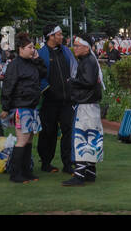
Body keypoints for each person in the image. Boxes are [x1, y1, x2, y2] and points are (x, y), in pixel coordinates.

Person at [0, 32, 47, 183]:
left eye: (33, 47)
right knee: (22, 139)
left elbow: (43, 73)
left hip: (31, 106)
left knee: (29, 140)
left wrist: (38, 59)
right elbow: (8, 87)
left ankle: (26, 171)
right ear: (21, 48)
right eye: (29, 47)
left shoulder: (32, 63)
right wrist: (6, 107)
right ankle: (15, 173)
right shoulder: (15, 65)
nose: (32, 50)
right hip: (21, 107)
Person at [65, 35, 104, 187]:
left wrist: (72, 81)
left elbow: (87, 81)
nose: (74, 48)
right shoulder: (89, 60)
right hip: (90, 105)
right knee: (91, 137)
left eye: (76, 45)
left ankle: (80, 175)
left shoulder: (88, 61)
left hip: (85, 105)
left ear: (86, 47)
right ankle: (90, 172)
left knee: (80, 138)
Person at [36, 25, 75, 176]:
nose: (62, 36)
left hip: (66, 100)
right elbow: (39, 77)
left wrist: (72, 87)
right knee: (48, 132)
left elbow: (73, 70)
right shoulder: (42, 54)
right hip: (49, 101)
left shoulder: (65, 51)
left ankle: (68, 163)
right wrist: (49, 91)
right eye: (59, 34)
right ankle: (46, 162)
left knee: (68, 130)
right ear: (51, 36)